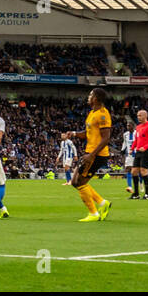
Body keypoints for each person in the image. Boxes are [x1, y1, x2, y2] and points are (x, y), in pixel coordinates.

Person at [61, 88, 113, 222]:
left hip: (96, 154)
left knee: (79, 182)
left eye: (90, 95)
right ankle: (102, 203)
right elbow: (87, 133)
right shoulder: (92, 113)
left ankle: (94, 213)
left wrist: (92, 155)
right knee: (75, 182)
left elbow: (106, 138)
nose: (88, 97)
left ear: (96, 98)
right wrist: (74, 133)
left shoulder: (103, 114)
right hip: (90, 152)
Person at [130, 110, 148, 200]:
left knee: (143, 171)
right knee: (133, 171)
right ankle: (136, 194)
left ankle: (147, 194)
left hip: (146, 151)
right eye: (137, 115)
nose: (138, 117)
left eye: (140, 115)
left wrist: (145, 147)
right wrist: (132, 148)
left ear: (145, 116)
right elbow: (136, 140)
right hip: (138, 151)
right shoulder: (138, 127)